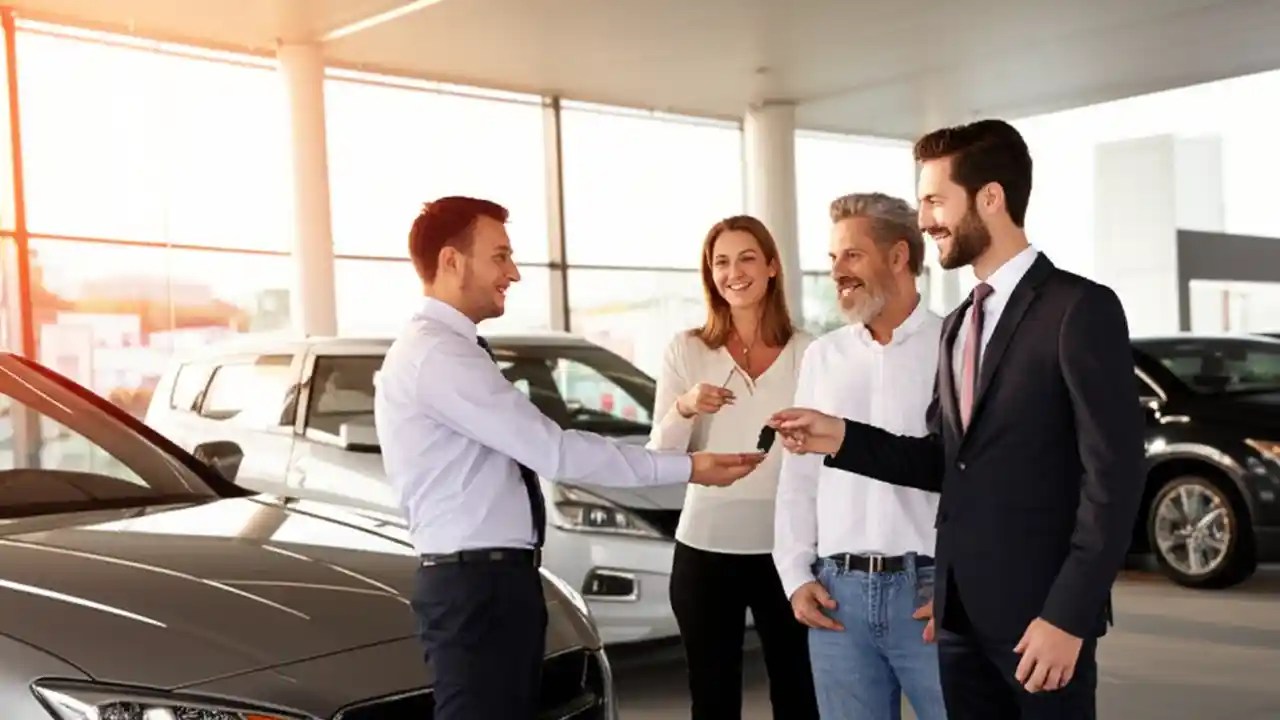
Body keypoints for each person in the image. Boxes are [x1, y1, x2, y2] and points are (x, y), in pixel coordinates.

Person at [769, 119, 1146, 720]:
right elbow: (947, 461)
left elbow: (1118, 475)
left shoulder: (1078, 308)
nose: (923, 221)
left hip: (1040, 625)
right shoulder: (959, 326)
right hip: (958, 622)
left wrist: (1068, 616)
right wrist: (841, 437)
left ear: (990, 199)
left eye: (935, 201)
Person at [374, 196, 766, 720]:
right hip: (476, 589)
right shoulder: (438, 354)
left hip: (489, 582)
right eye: (500, 256)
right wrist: (691, 467)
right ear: (451, 261)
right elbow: (552, 450)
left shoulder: (450, 349)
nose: (512, 272)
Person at [773, 193, 947, 720]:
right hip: (837, 598)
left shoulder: (953, 347)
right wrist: (796, 574)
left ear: (898, 257)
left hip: (930, 592)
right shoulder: (824, 356)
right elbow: (799, 475)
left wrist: (962, 585)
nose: (837, 273)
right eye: (832, 260)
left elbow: (972, 476)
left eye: (851, 256)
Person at [647, 215, 819, 720]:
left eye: (747, 258)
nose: (734, 272)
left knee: (798, 695)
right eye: (721, 261)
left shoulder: (808, 352)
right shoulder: (687, 349)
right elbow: (659, 456)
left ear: (771, 267)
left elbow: (830, 453)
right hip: (705, 551)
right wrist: (685, 407)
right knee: (713, 699)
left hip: (788, 552)